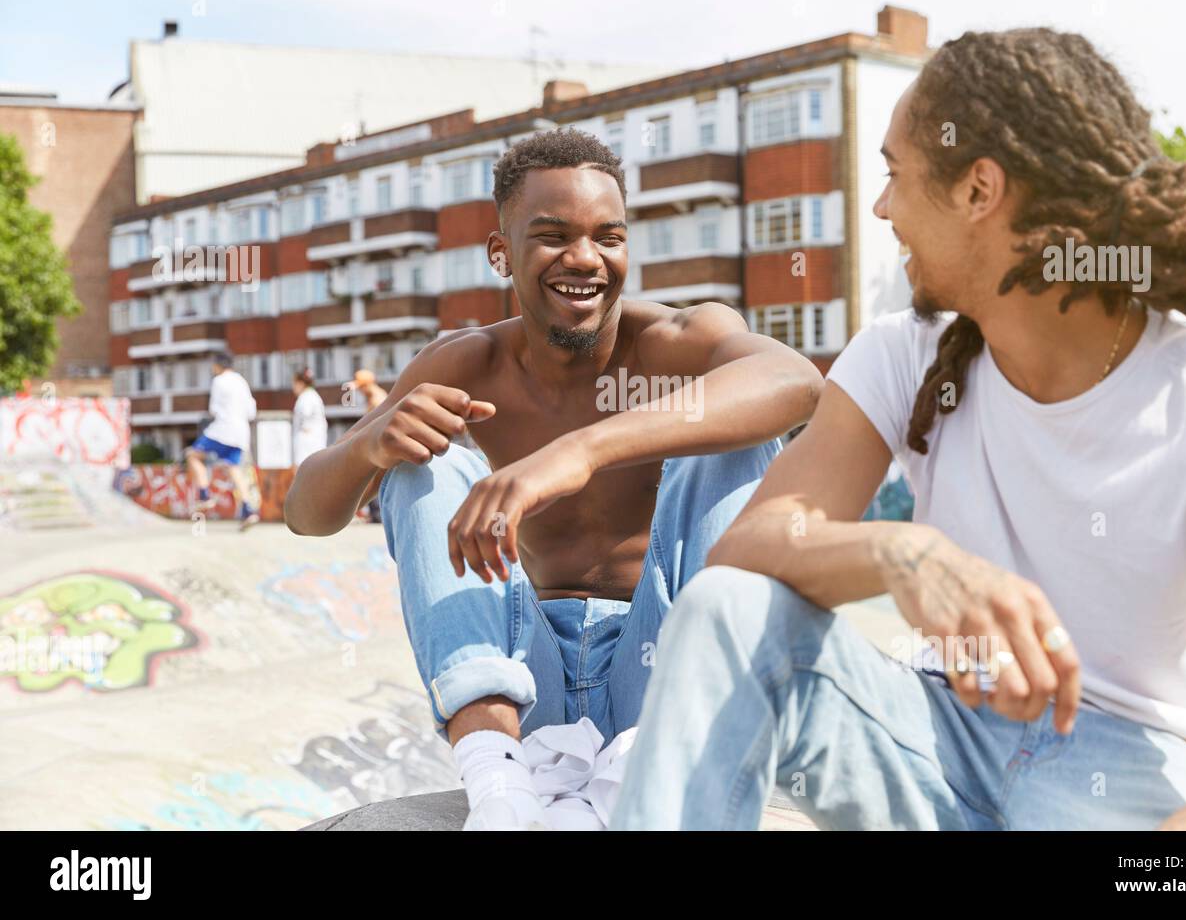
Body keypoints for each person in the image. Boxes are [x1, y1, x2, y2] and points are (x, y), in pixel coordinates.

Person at [611, 28, 1186, 831]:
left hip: (1122, 788)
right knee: (725, 611)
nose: (881, 206)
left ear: (979, 190)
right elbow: (746, 549)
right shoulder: (904, 354)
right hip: (931, 741)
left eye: (895, 176)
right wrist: (902, 553)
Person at [284, 128, 821, 829]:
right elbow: (305, 512)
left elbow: (796, 380)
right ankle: (499, 786)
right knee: (424, 454)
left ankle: (649, 762)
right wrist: (369, 448)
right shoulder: (463, 363)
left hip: (657, 674)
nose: (585, 259)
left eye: (609, 236)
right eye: (554, 236)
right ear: (501, 254)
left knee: (737, 435)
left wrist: (582, 450)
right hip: (526, 688)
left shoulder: (676, 342)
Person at [186, 351, 260, 531]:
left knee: (193, 455)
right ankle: (248, 510)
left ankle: (204, 495)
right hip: (241, 433)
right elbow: (251, 411)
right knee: (234, 469)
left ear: (218, 365)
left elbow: (213, 409)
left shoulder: (219, 381)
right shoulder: (241, 381)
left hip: (222, 430)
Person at [351, 369, 389, 522]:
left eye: (360, 388)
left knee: (374, 478)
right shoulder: (376, 397)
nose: (359, 392)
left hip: (379, 447)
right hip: (378, 446)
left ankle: (377, 514)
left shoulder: (376, 400)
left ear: (366, 386)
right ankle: (375, 514)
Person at [291, 368, 328, 468]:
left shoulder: (306, 397)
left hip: (307, 446)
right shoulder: (313, 396)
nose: (293, 387)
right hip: (314, 444)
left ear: (300, 383)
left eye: (294, 383)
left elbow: (305, 417)